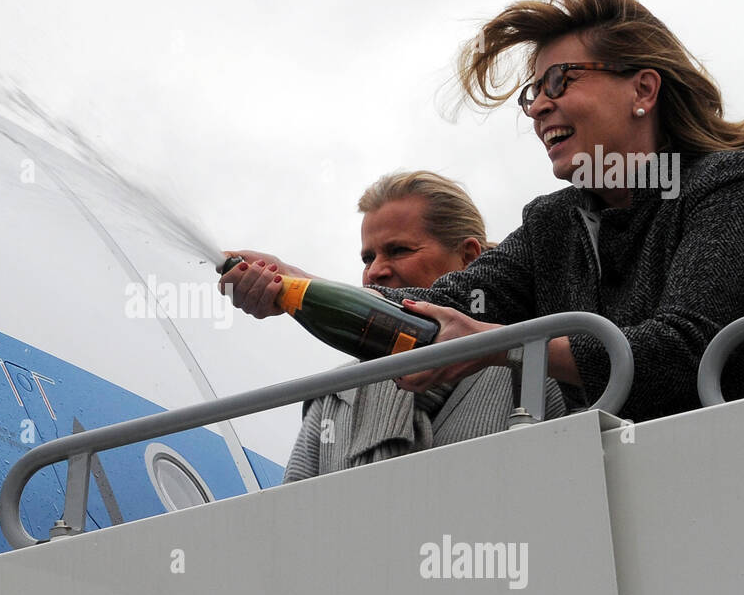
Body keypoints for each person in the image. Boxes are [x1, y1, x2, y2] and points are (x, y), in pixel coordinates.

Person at [223, 0, 744, 424]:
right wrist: (295, 287)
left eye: (560, 82)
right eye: (533, 93)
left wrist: (496, 344)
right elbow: (437, 306)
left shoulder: (739, 186)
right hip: (613, 495)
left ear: (643, 90)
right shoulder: (554, 223)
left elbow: (684, 350)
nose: (536, 108)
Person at [227, 171, 564, 483]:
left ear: (470, 258)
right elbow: (294, 523)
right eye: (367, 258)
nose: (375, 272)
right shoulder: (335, 397)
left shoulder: (533, 363)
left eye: (398, 250)